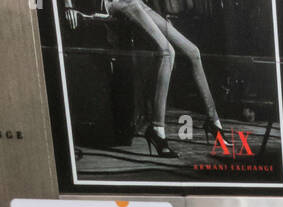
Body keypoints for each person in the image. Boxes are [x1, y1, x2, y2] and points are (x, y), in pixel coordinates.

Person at [66, 0, 223, 156]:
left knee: (193, 52)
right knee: (167, 52)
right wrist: (68, 6)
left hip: (138, 3)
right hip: (120, 4)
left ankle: (214, 121)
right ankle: (157, 128)